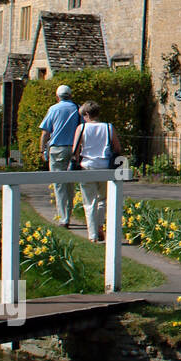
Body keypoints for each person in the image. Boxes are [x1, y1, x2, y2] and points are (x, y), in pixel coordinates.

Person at [71, 101, 121, 243]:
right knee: (102, 200)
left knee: (89, 202)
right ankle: (100, 226)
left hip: (87, 166)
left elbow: (75, 150)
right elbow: (117, 148)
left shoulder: (82, 128)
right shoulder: (108, 127)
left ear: (87, 114)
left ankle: (92, 234)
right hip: (104, 166)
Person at [39, 84, 81, 227]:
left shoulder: (53, 109)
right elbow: (82, 130)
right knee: (70, 184)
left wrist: (42, 149)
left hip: (57, 149)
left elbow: (45, 132)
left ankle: (64, 218)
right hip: (73, 149)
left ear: (57, 97)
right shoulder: (77, 109)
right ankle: (68, 213)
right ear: (70, 96)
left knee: (59, 184)